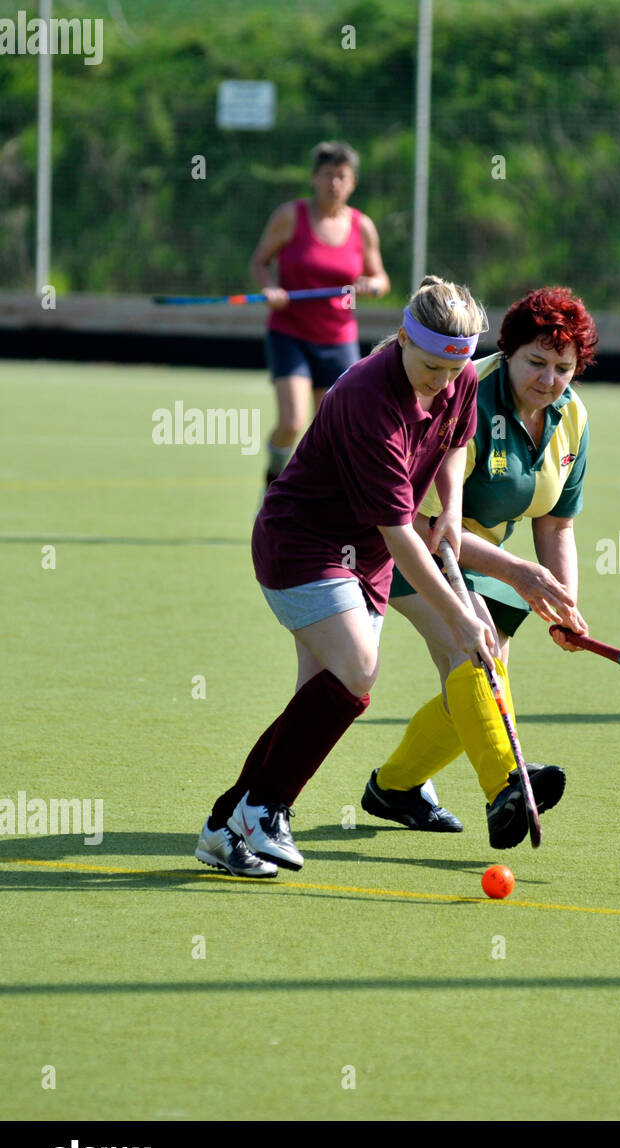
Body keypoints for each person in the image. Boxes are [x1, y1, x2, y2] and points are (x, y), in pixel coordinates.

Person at [195, 276, 495, 878]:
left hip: (366, 559)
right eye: (430, 366)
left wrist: (455, 515)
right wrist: (460, 619)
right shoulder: (365, 398)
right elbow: (400, 534)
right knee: (358, 670)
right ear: (404, 341)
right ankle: (264, 808)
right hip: (301, 543)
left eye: (451, 370)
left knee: (319, 700)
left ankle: (225, 828)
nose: (441, 382)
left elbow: (455, 441)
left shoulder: (457, 375)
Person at [360, 287, 596, 848]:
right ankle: (507, 788)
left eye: (563, 368)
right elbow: (418, 520)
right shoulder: (468, 390)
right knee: (477, 664)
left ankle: (394, 788)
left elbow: (557, 523)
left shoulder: (572, 418)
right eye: (535, 363)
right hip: (410, 542)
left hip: (488, 557)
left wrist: (565, 602)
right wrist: (518, 572)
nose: (548, 379)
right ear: (506, 352)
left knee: (474, 688)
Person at [248, 140, 391, 489]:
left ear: (353, 182)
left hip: (338, 339)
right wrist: (271, 288)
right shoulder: (289, 216)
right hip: (290, 332)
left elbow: (381, 278)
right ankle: (273, 489)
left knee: (333, 429)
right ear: (314, 178)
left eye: (342, 176)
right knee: (293, 420)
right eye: (327, 175)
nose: (334, 184)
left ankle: (313, 505)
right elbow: (259, 263)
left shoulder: (362, 227)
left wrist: (371, 285)